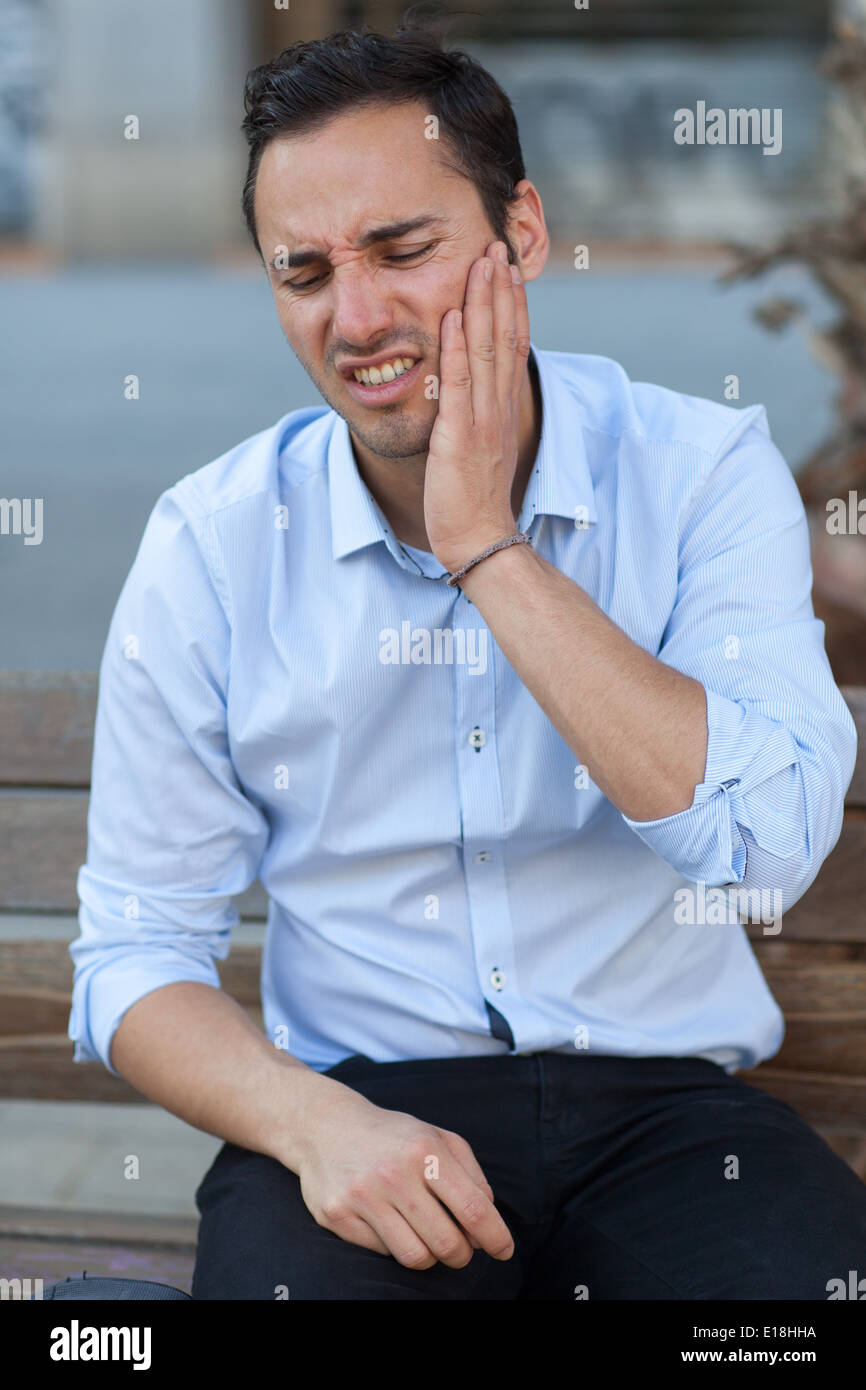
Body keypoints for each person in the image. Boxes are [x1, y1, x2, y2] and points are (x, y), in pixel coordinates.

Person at [68, 23, 866, 1300]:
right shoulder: (214, 543)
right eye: (306, 270)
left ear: (523, 233)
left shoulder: (700, 473)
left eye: (403, 248)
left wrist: (489, 550)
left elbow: (761, 851)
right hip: (363, 1107)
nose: (359, 316)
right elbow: (132, 958)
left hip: (668, 1116)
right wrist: (308, 1121)